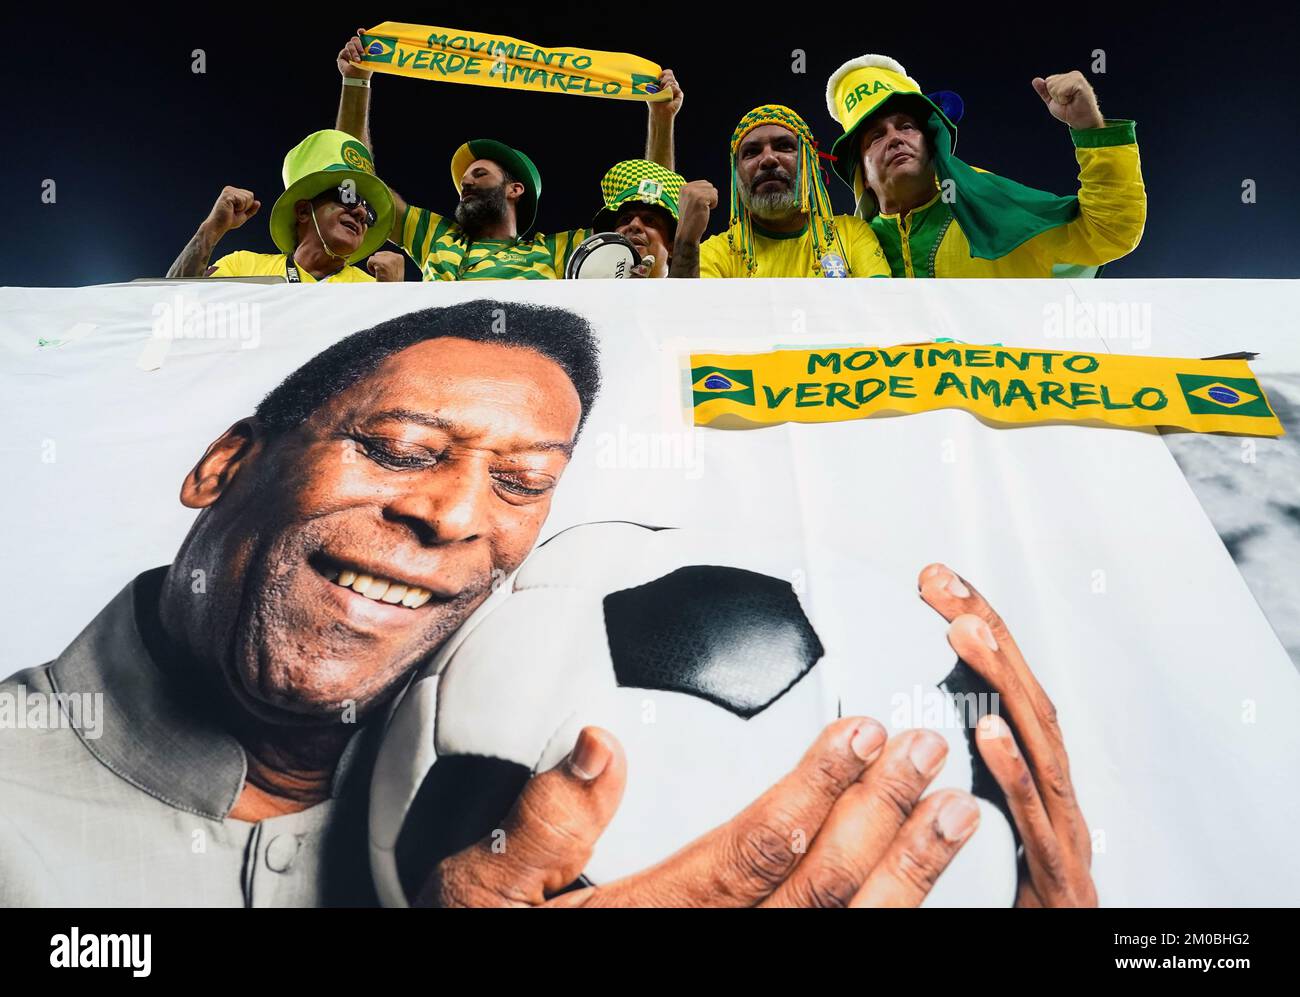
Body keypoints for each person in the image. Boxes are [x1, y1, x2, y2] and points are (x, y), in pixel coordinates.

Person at [0, 300, 1096, 907]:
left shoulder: (571, 738)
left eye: (523, 482)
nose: (451, 514)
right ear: (225, 465)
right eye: (401, 448)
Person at [334, 31, 681, 281]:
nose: (466, 182)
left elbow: (651, 204)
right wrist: (356, 83)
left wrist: (661, 118)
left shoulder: (554, 252)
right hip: (444, 358)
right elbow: (356, 180)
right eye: (464, 180)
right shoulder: (437, 237)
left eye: (479, 174)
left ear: (515, 189)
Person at [824, 55, 1147, 277]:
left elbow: (1110, 232)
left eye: (906, 127)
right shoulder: (846, 248)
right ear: (861, 173)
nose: (895, 138)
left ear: (932, 143)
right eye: (876, 136)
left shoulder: (990, 206)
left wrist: (1089, 128)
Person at [675, 105, 890, 279]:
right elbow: (684, 316)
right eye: (751, 152)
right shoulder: (717, 254)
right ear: (736, 173)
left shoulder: (852, 235)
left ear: (810, 165)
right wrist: (685, 243)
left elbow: (884, 312)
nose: (768, 159)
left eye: (784, 146)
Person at [167, 130, 404, 283]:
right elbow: (175, 310)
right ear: (303, 211)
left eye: (369, 212)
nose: (361, 213)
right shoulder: (244, 266)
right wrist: (210, 230)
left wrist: (395, 299)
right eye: (348, 196)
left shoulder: (371, 287)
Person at [590, 159, 699, 279]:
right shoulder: (583, 283)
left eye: (649, 220)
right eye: (626, 219)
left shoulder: (705, 285)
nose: (634, 224)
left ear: (672, 247)